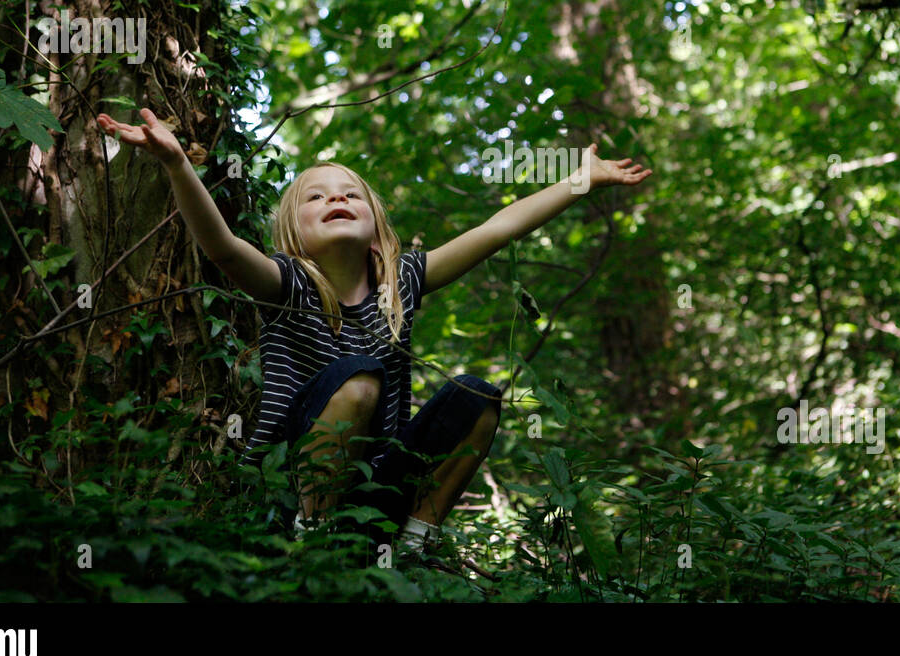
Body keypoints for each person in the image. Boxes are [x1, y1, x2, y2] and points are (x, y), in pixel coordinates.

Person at [95, 107, 652, 565]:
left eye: (349, 193)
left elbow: (496, 229)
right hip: (293, 475)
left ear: (374, 221)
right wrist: (174, 164)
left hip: (377, 486)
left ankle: (412, 543)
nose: (335, 199)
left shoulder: (402, 282)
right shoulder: (287, 283)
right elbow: (220, 246)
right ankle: (312, 540)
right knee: (359, 379)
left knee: (479, 395)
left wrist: (581, 180)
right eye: (316, 197)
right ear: (295, 231)